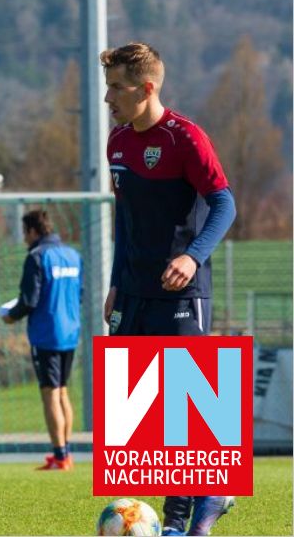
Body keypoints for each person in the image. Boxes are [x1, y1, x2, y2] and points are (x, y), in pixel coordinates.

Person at [101, 42, 237, 536]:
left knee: (180, 411)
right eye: (108, 86)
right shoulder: (117, 141)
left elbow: (225, 206)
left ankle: (180, 521)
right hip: (133, 294)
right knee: (138, 419)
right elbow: (126, 221)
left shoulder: (187, 139)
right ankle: (208, 494)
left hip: (182, 295)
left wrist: (191, 255)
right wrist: (116, 283)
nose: (108, 97)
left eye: (117, 87)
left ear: (147, 87)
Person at [0, 210, 81, 471]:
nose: (25, 239)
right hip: (70, 331)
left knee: (50, 394)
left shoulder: (37, 257)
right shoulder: (72, 255)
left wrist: (10, 316)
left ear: (34, 231)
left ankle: (59, 456)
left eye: (25, 233)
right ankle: (65, 452)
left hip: (47, 333)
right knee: (63, 392)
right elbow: (80, 293)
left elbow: (29, 300)